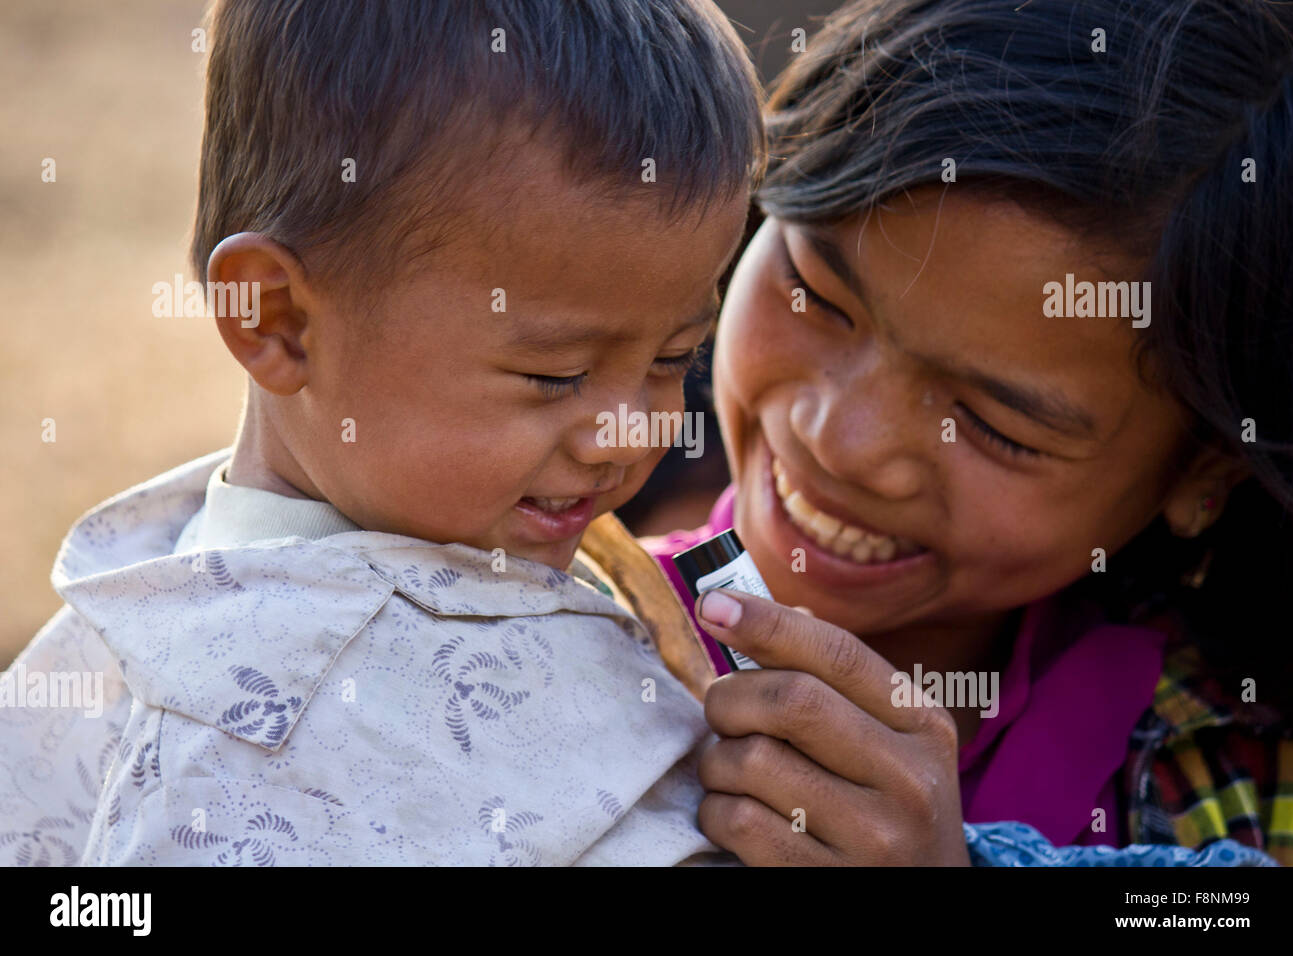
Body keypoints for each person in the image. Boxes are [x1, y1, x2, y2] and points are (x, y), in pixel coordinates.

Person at [0, 0, 763, 866]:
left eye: (675, 356)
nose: (630, 433)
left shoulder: (462, 546)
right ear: (278, 320)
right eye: (555, 374)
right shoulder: (242, 756)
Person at [648, 0, 1293, 864]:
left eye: (995, 425)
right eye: (819, 294)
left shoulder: (1239, 771)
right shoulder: (538, 644)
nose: (843, 441)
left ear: (1201, 475)